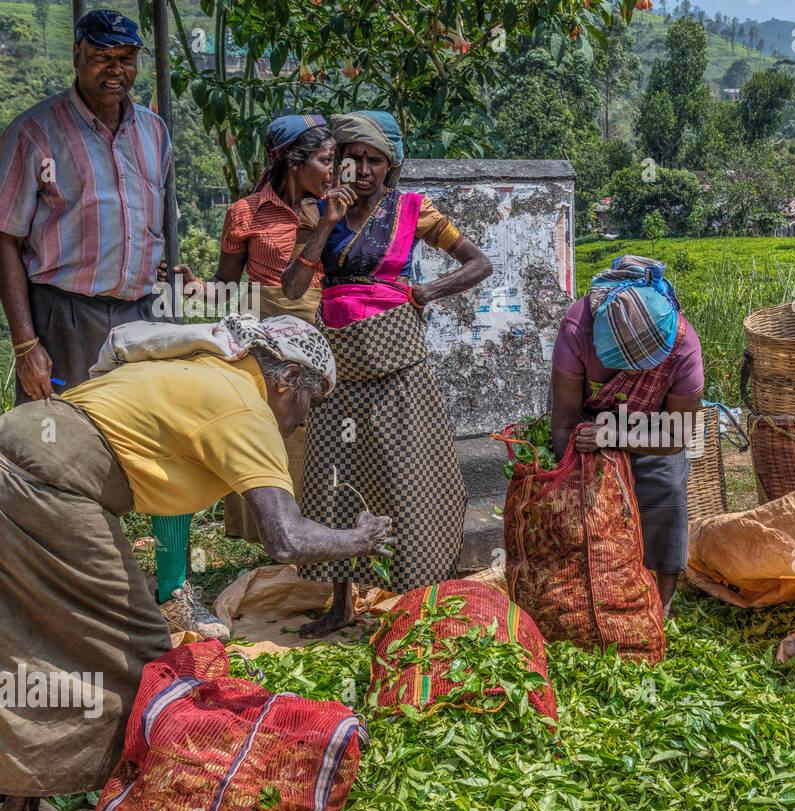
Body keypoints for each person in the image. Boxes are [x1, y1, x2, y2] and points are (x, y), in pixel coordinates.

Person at [0, 314, 395, 811]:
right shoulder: (243, 404)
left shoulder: (202, 369)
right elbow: (284, 538)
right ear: (285, 381)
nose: (303, 422)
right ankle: (165, 807)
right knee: (138, 654)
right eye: (310, 404)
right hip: (50, 482)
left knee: (24, 640)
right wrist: (358, 538)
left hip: (21, 448)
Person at [0, 11, 233, 638]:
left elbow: (159, 223)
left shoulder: (154, 131)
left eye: (127, 58)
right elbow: (6, 239)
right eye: (103, 56)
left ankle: (173, 590)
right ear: (78, 56)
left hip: (142, 312)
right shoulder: (34, 133)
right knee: (53, 455)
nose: (117, 69)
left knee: (168, 441)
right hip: (64, 311)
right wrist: (26, 343)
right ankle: (58, 606)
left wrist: (174, 279)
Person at [280, 110, 493, 638]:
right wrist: (328, 220)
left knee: (410, 479)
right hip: (338, 368)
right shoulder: (315, 213)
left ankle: (414, 601)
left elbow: (478, 263)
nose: (363, 167)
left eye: (375, 159)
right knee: (335, 478)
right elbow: (289, 287)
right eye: (353, 157)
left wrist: (425, 293)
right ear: (340, 164)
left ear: (390, 166)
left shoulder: (415, 212)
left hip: (397, 364)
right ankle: (340, 602)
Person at [167, 115, 336, 549]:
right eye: (325, 160)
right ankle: (273, 539)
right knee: (265, 426)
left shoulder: (334, 210)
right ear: (294, 163)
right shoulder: (245, 214)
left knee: (315, 435)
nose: (333, 171)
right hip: (264, 340)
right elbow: (228, 287)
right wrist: (196, 288)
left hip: (319, 334)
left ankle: (317, 544)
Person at [550, 255, 705, 617]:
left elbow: (676, 435)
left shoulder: (683, 347)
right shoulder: (578, 329)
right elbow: (563, 422)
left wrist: (617, 437)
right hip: (588, 421)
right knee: (586, 501)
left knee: (666, 490)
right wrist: (570, 469)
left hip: (655, 426)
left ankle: (661, 605)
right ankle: (586, 588)